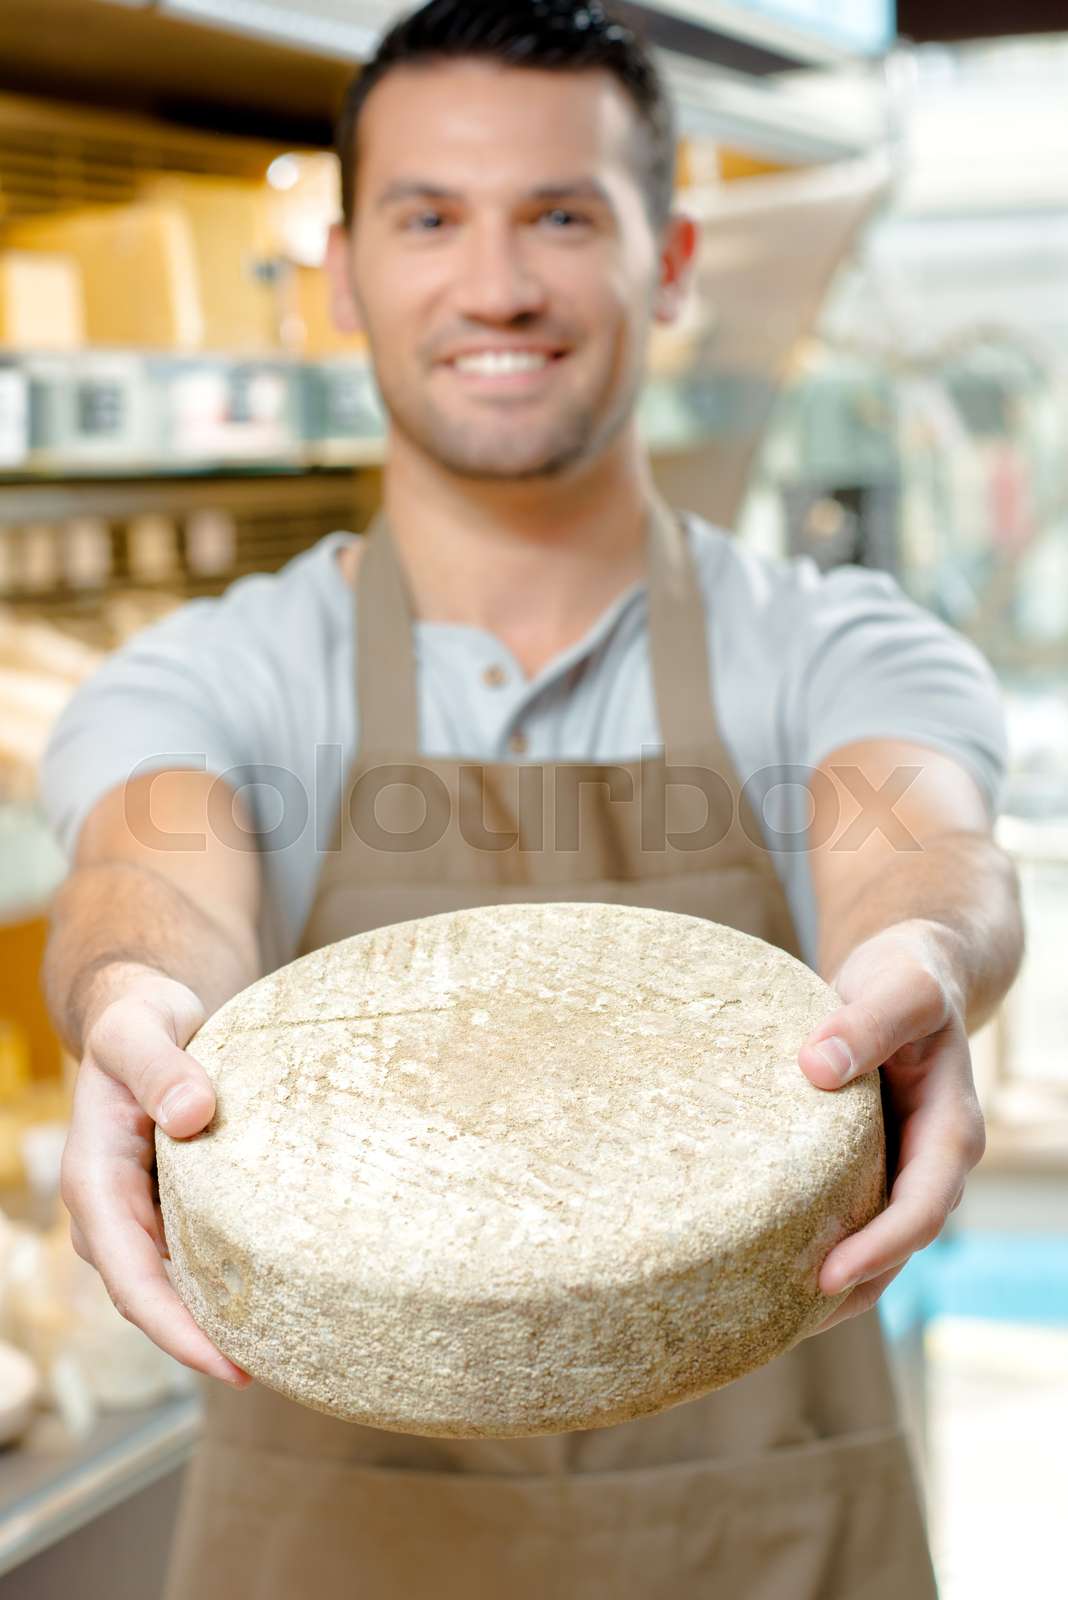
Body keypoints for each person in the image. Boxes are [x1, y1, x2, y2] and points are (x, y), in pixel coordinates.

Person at [40, 3, 1024, 1596]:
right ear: (347, 271)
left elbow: (919, 840)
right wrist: (133, 994)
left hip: (760, 1529)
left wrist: (931, 959)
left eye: (562, 215)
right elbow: (146, 866)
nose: (496, 284)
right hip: (340, 1542)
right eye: (430, 217)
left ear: (674, 258)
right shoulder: (222, 669)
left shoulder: (831, 645)